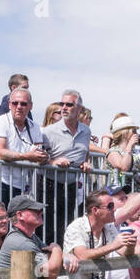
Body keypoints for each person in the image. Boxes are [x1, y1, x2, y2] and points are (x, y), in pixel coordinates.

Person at [50, 188, 135, 279]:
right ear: (95, 210)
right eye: (110, 206)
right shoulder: (77, 226)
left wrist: (130, 245)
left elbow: (124, 252)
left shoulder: (109, 227)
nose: (114, 209)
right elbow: (82, 255)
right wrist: (113, 245)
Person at [41, 89, 96, 230]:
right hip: (50, 184)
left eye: (69, 105)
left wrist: (85, 163)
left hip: (72, 186)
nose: (64, 108)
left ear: (79, 109)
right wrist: (53, 162)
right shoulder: (49, 131)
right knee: (48, 227)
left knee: (69, 226)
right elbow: (38, 156)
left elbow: (85, 152)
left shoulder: (86, 131)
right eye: (62, 104)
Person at [0, 88, 49, 208]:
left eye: (23, 103)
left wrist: (44, 157)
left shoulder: (35, 127)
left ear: (30, 106)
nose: (19, 106)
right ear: (9, 104)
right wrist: (27, 156)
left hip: (20, 184)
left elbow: (37, 154)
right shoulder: (0, 121)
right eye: (15, 103)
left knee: (15, 223)